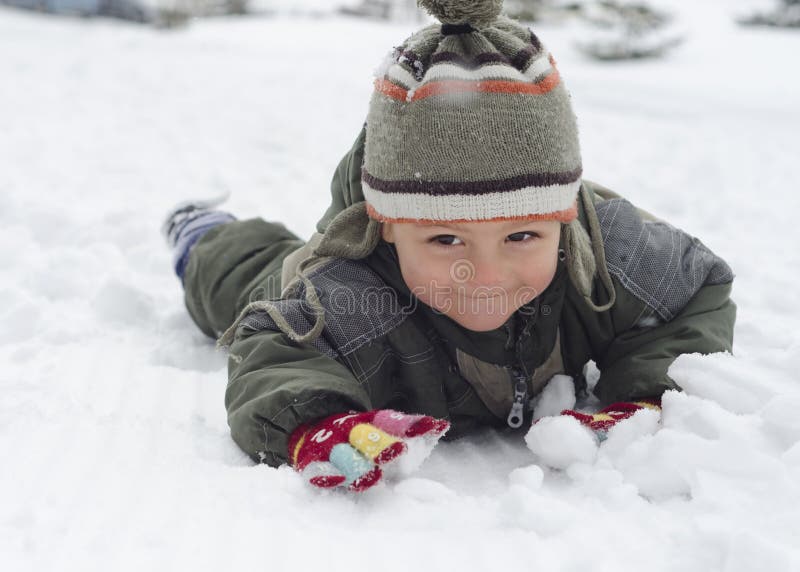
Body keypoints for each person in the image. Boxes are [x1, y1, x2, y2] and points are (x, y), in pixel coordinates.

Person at [163, 0, 736, 492]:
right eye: (444, 238)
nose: (484, 274)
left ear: (563, 221)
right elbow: (276, 353)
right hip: (288, 277)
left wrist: (645, 393)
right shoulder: (350, 296)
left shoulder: (607, 258)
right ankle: (201, 231)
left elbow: (691, 295)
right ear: (387, 225)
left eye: (521, 236)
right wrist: (317, 421)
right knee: (244, 272)